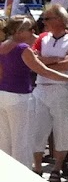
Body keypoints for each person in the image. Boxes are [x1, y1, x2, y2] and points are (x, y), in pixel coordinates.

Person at [27, 4, 68, 181]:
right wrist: (55, 60)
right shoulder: (42, 37)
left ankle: (57, 168)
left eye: (47, 19)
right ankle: (37, 167)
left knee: (63, 129)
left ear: (59, 20)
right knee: (36, 129)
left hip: (61, 89)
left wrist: (44, 63)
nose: (43, 22)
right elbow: (33, 59)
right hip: (41, 87)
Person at [0, 17, 37, 162]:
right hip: (20, 96)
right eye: (29, 29)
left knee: (4, 141)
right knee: (22, 141)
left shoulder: (2, 46)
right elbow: (43, 69)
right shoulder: (23, 48)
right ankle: (24, 181)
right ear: (18, 31)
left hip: (3, 94)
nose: (33, 31)